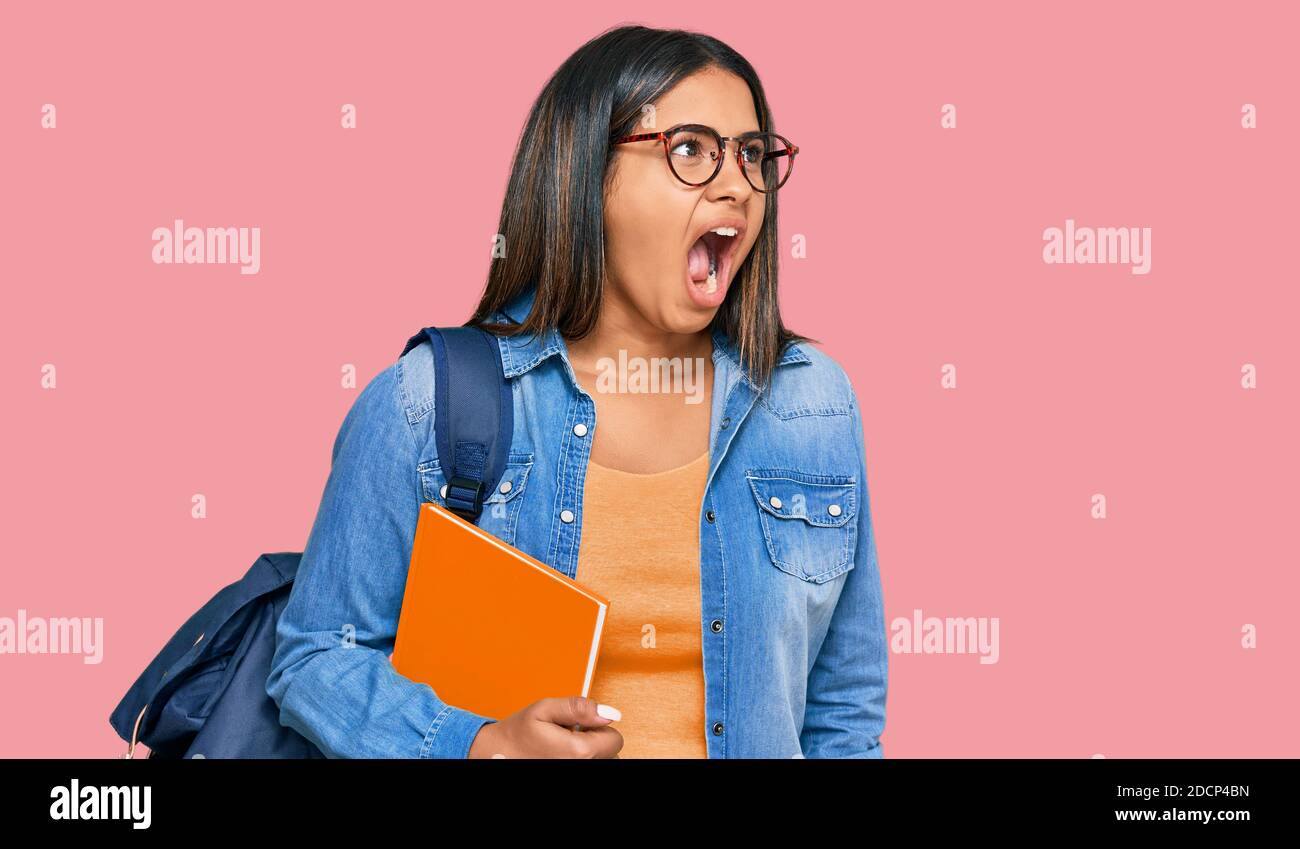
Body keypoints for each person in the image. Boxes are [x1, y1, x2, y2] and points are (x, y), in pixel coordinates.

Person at [266, 24, 887, 759]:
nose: (735, 185)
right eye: (691, 150)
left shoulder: (812, 403)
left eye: (753, 154)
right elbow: (314, 659)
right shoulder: (429, 402)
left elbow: (843, 716)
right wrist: (479, 744)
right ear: (585, 171)